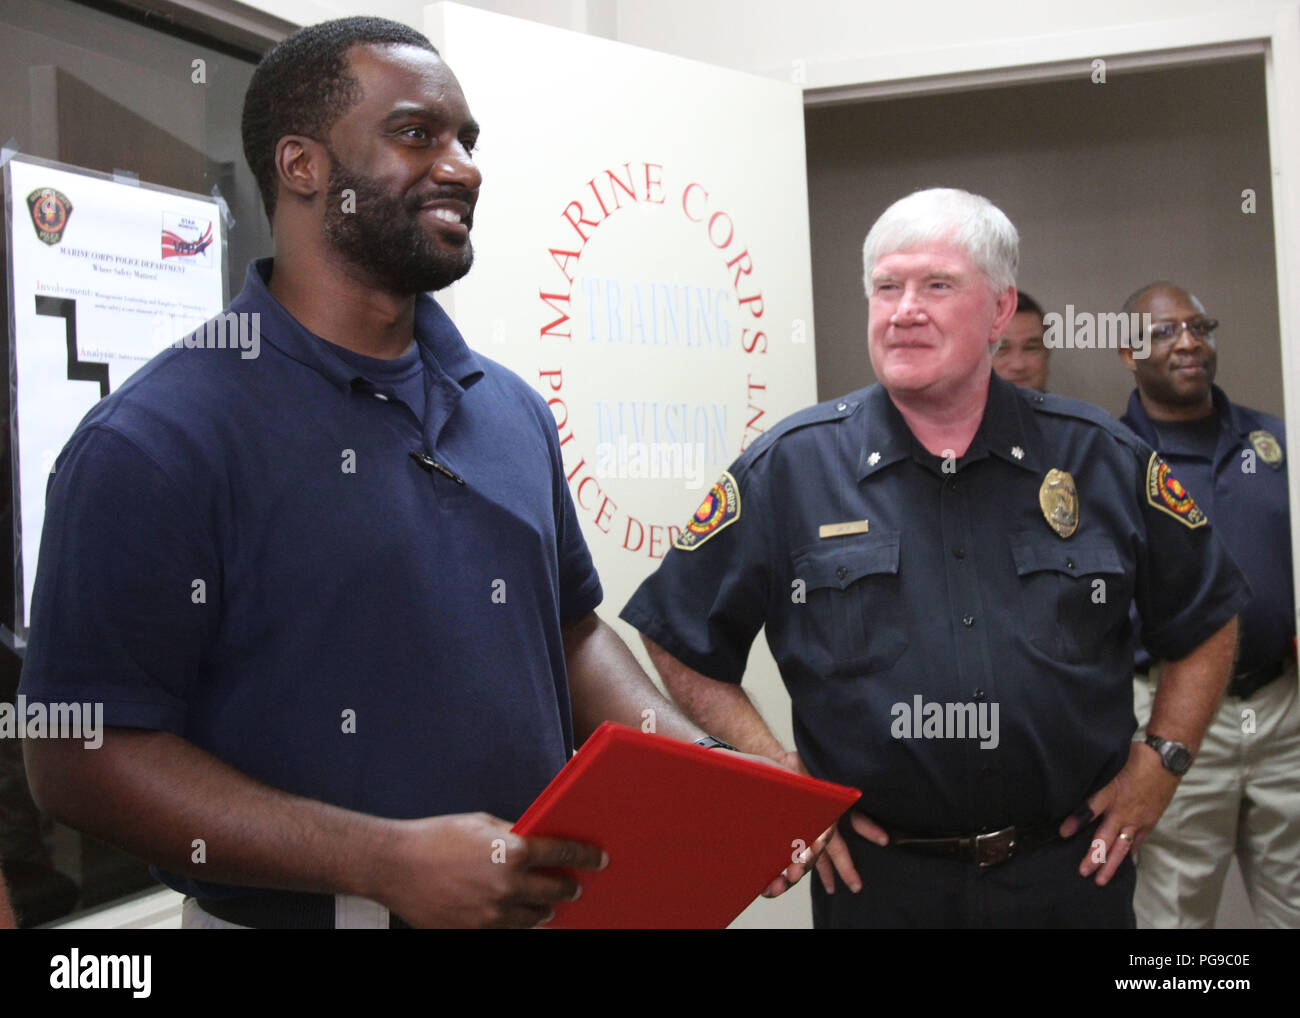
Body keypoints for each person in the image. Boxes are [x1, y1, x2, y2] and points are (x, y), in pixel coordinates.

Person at [17, 17, 761, 930]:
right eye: (417, 134)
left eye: (467, 140)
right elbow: (76, 757)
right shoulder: (156, 439)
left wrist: (687, 760)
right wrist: (383, 861)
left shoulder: (509, 410)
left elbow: (567, 633)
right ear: (302, 165)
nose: (463, 166)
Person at [621, 187, 1250, 928]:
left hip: (1069, 874)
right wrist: (774, 772)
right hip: (882, 888)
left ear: (997, 309)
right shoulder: (792, 468)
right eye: (887, 286)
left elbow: (1208, 613)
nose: (904, 309)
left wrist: (1162, 763)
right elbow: (676, 630)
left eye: (937, 285)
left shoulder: (1101, 457)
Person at [1119, 281, 1300, 928]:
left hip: (1284, 709)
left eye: (1199, 327)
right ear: (1126, 354)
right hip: (1173, 716)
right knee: (1174, 917)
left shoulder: (1276, 442)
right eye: (1165, 332)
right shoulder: (1113, 461)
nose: (1189, 343)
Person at [992, 291, 1050, 391]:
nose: (1018, 365)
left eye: (1031, 348)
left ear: (1047, 353)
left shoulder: (1074, 407)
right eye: (1001, 349)